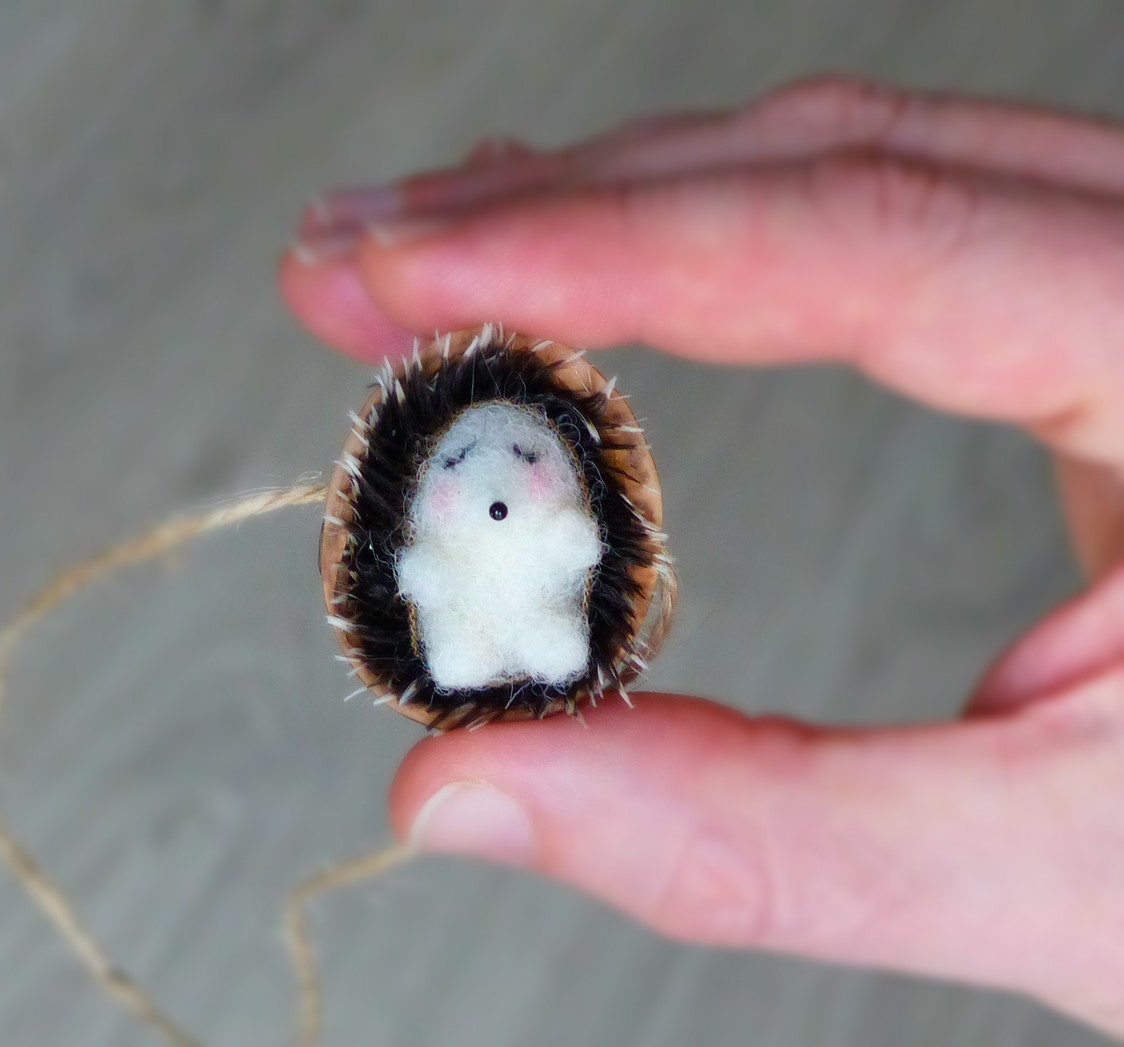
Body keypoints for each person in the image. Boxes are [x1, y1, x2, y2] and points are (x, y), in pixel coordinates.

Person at [280, 77, 1124, 1037]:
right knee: (475, 631)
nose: (503, 473)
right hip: (463, 621)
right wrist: (431, 574)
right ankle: (479, 654)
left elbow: (574, 550)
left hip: (554, 618)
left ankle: (536, 647)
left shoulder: (563, 512)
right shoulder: (430, 522)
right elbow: (425, 573)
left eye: (523, 456)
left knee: (548, 627)